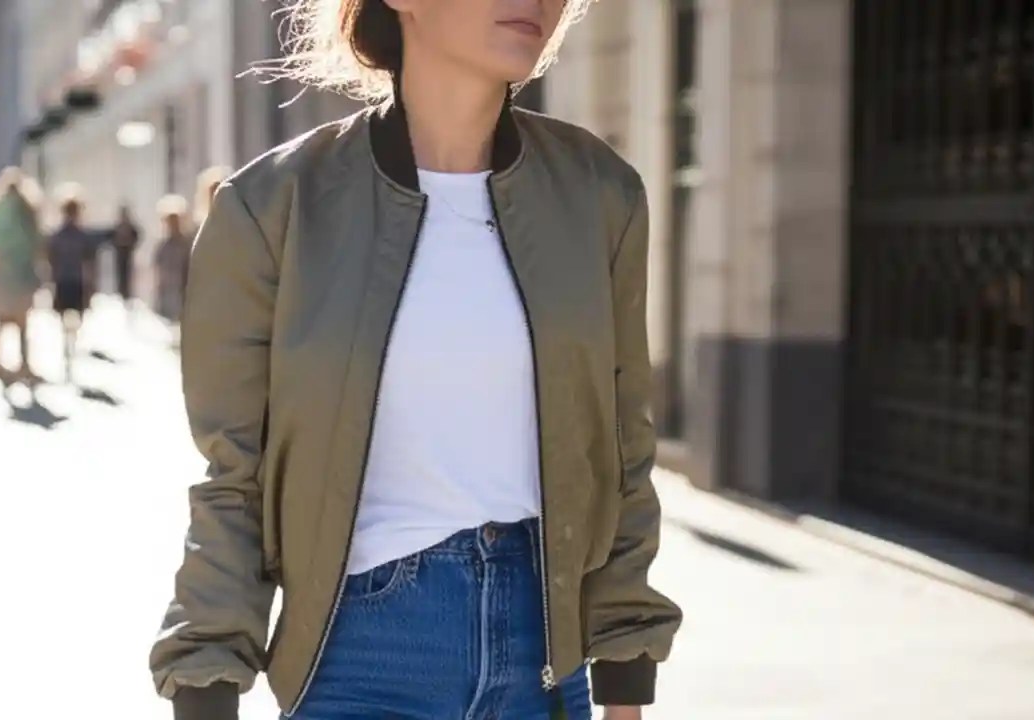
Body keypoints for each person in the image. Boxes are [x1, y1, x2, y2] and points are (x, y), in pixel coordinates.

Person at [149, 2, 681, 720]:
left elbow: (623, 456)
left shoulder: (598, 193)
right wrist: (206, 682)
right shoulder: (274, 207)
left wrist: (626, 684)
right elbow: (232, 479)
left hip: (547, 667)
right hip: (359, 662)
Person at [0, 167, 44, 384]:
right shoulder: (28, 210)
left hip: (3, 271)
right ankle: (23, 364)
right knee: (22, 322)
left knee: (1, 320)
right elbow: (38, 242)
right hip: (21, 272)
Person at [47, 185, 99, 383]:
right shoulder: (65, 236)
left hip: (70, 280)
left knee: (70, 319)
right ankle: (69, 347)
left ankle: (69, 347)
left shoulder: (66, 236)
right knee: (71, 319)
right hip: (71, 280)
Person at [152, 194, 190, 325]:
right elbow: (158, 273)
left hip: (185, 294)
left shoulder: (188, 244)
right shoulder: (162, 247)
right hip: (167, 294)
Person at [109, 204, 140, 307]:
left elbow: (137, 236)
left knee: (128, 274)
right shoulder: (118, 227)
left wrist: (130, 244)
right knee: (120, 273)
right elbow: (112, 238)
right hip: (120, 253)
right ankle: (120, 292)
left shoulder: (130, 227)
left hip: (127, 253)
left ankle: (127, 293)